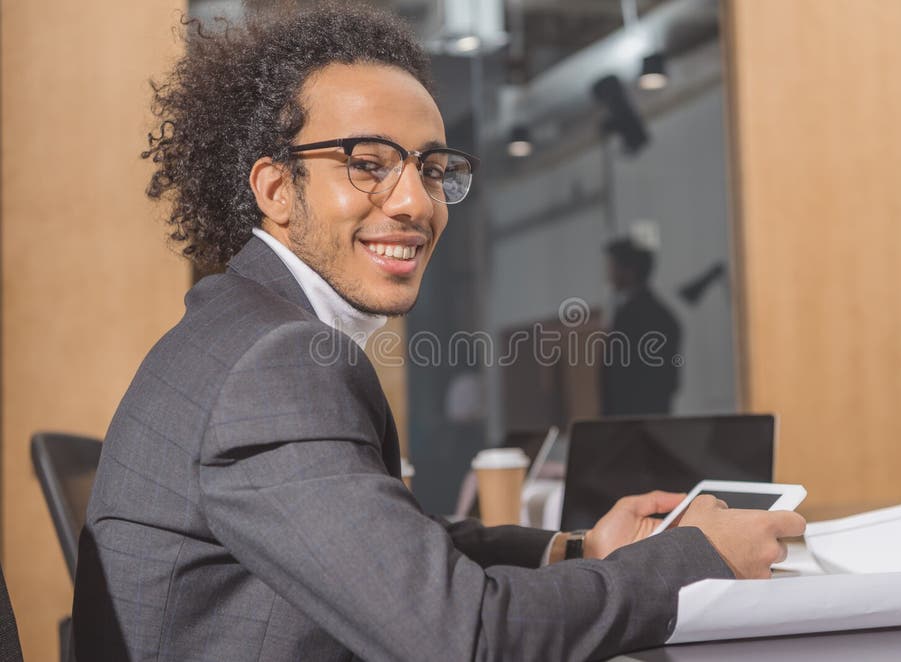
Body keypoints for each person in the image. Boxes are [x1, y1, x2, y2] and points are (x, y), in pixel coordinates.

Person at [72, 5, 805, 661]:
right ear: (274, 190)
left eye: (432, 168)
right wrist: (695, 558)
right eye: (368, 163)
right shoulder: (273, 362)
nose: (414, 201)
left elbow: (397, 551)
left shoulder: (243, 324)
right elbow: (462, 636)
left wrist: (576, 547)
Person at [600, 238, 683, 415]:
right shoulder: (665, 317)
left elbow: (617, 380)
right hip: (651, 422)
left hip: (632, 424)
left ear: (629, 271)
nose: (608, 275)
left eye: (613, 267)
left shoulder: (629, 318)